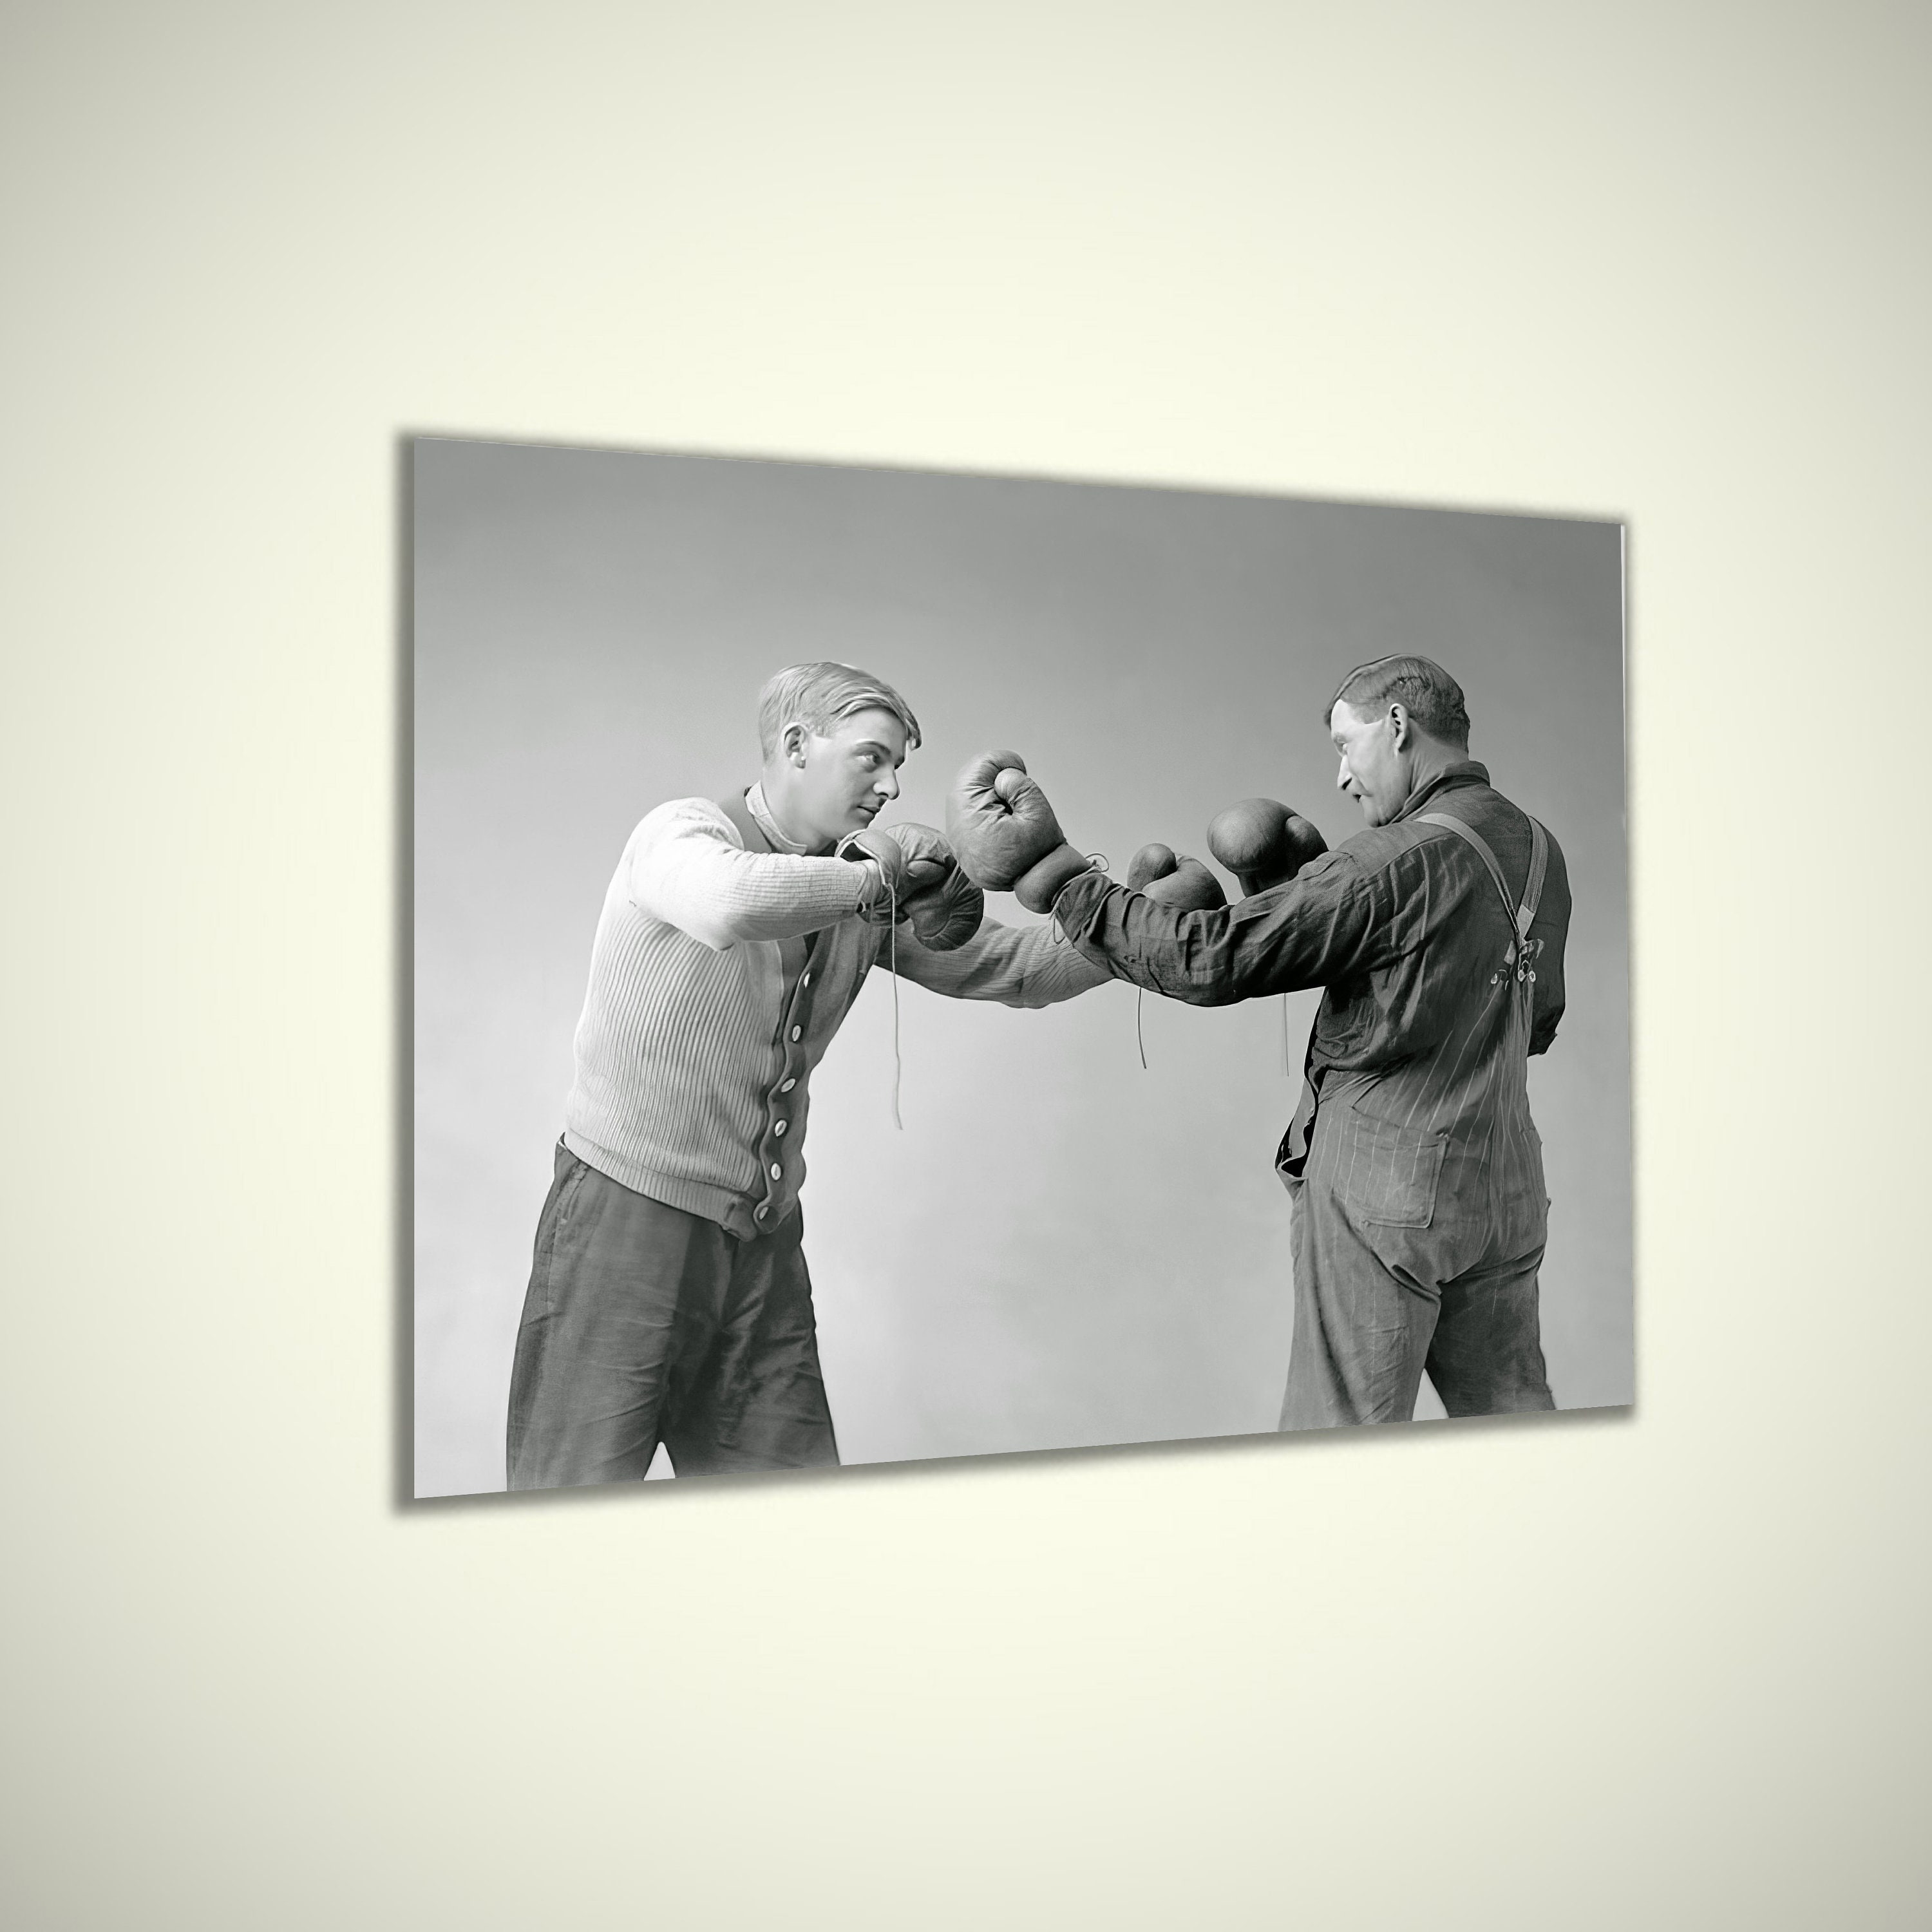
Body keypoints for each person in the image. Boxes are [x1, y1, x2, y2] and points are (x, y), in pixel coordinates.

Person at [506, 661, 1108, 1490]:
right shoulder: (680, 834)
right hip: (623, 1225)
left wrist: (1141, 928)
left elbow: (1013, 968)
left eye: (898, 766)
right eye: (872, 758)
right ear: (796, 746)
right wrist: (875, 881)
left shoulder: (859, 884)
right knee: (568, 1504)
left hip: (763, 1246)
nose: (892, 787)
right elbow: (727, 903)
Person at [945, 654, 1571, 1428]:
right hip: (1507, 1195)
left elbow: (1209, 958)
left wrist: (1062, 879)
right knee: (1515, 1426)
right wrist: (1323, 921)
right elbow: (1534, 1022)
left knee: (1340, 1436)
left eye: (1346, 745)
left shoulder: (1392, 858)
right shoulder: (1539, 848)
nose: (1342, 777)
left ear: (1398, 726)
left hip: (1392, 1195)